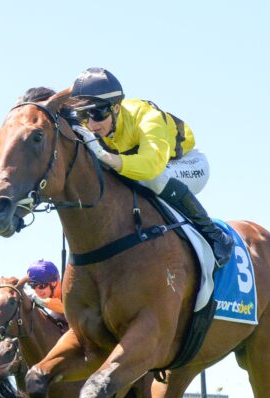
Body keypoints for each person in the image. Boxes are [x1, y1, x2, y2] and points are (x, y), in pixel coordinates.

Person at [68, 67, 234, 267]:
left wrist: (104, 156)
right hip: (151, 165)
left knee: (152, 178)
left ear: (116, 108)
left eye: (97, 113)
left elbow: (151, 166)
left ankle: (213, 234)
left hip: (186, 163)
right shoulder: (91, 125)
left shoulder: (148, 118)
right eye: (83, 116)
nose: (91, 125)